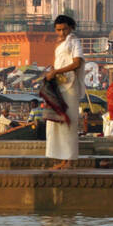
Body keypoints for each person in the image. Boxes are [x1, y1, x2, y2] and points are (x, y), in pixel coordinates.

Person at [43, 14, 84, 169]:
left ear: (71, 27)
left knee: (69, 121)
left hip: (70, 86)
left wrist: (57, 71)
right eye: (58, 30)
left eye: (64, 29)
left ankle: (70, 160)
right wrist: (52, 72)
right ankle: (62, 159)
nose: (62, 33)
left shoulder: (74, 41)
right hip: (59, 86)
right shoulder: (60, 43)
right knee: (56, 122)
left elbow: (77, 63)